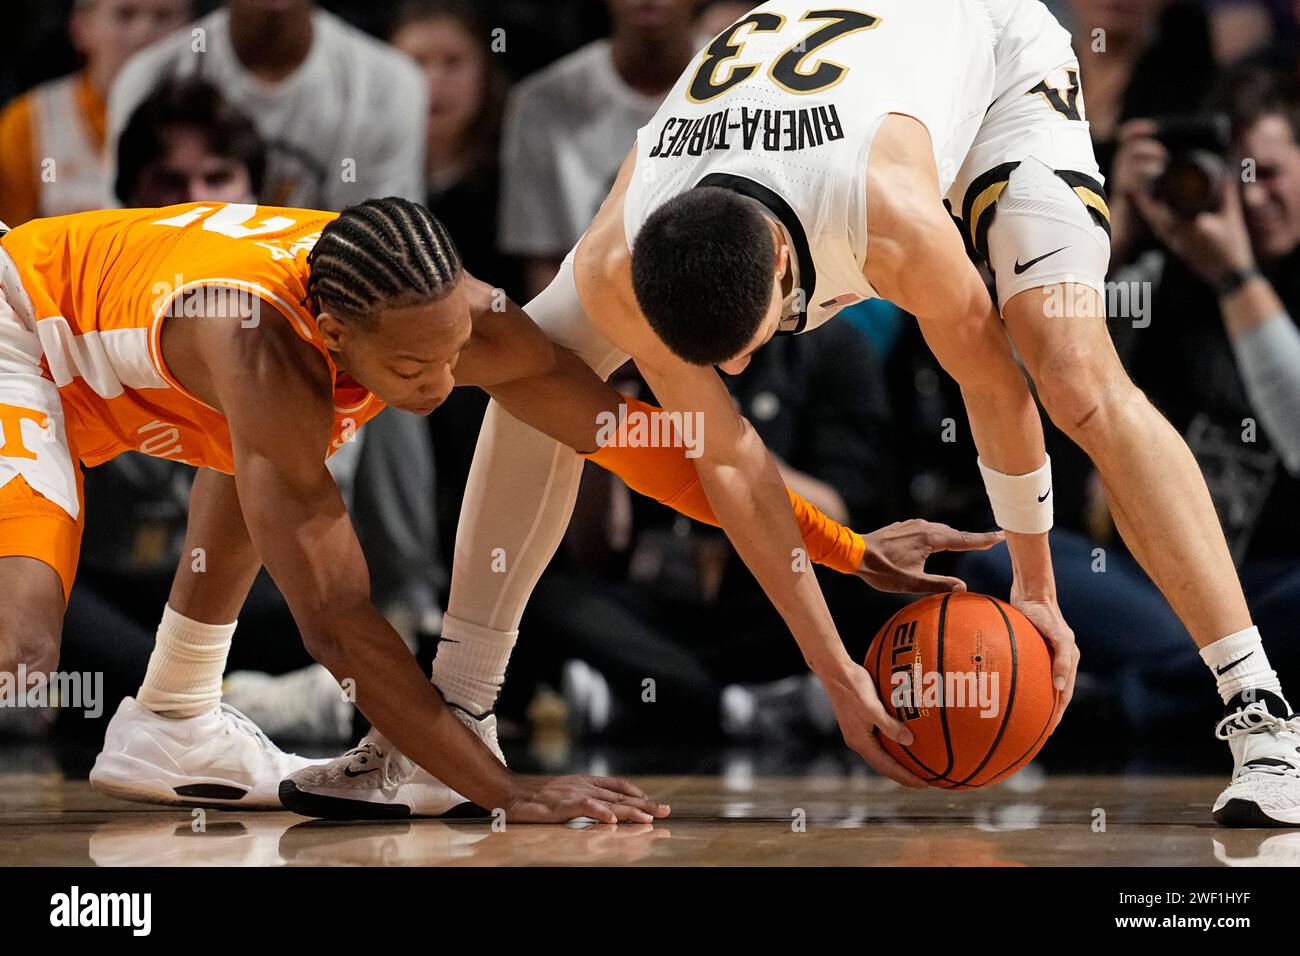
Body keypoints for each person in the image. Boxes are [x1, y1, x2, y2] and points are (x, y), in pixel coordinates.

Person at [292, 0, 1298, 828]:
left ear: (787, 268)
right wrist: (837, 673)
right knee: (537, 372)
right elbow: (727, 463)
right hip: (788, 100)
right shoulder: (618, 256)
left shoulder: (895, 222)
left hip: (991, 64)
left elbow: (991, 386)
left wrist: (1037, 588)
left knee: (1069, 366)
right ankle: (459, 713)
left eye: (747, 342)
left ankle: (1261, 715)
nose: (736, 366)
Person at [498, 0, 700, 299]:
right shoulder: (540, 101)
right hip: (585, 321)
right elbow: (541, 261)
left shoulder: (751, 88)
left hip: (717, 318)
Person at [0, 0, 191, 225]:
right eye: (125, 15)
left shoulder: (215, 117)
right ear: (81, 28)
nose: (144, 33)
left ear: (190, 28)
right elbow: (7, 245)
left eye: (163, 17)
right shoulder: (29, 122)